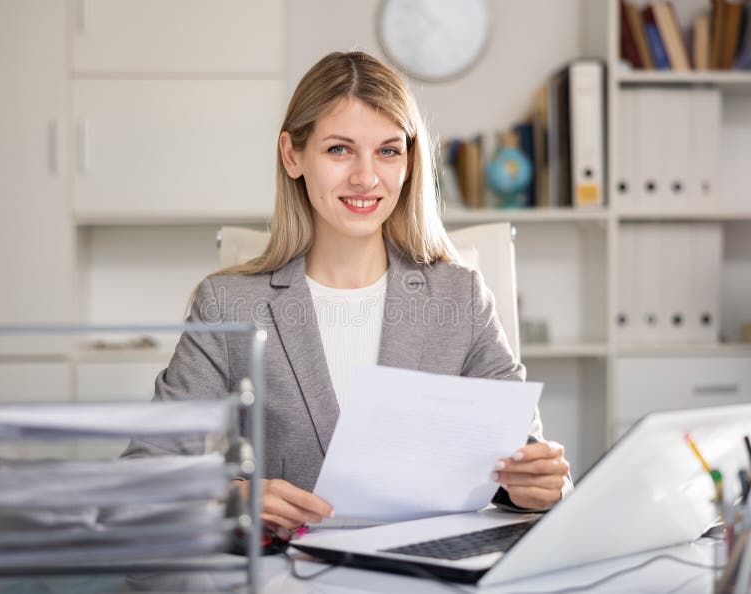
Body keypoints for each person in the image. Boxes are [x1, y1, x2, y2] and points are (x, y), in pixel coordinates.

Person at [124, 51, 572, 539]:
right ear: (293, 156)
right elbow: (147, 470)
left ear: (409, 162)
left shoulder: (460, 296)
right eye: (339, 150)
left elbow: (527, 459)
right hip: (290, 576)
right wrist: (228, 495)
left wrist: (542, 484)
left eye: (388, 150)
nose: (366, 177)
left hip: (428, 572)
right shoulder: (228, 303)